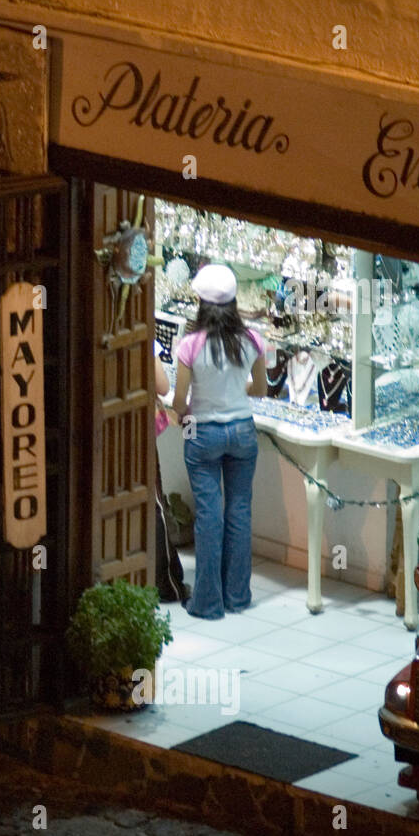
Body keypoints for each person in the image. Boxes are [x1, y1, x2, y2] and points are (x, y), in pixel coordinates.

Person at [171, 264, 267, 620]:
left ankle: (208, 602)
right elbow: (260, 389)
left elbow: (181, 402)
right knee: (239, 511)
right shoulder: (253, 340)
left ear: (200, 303)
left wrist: (179, 412)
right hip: (243, 429)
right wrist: (233, 390)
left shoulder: (189, 346)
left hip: (203, 432)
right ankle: (238, 596)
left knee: (209, 515)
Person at [153, 343, 188, 603]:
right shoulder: (143, 335)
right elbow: (163, 386)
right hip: (137, 429)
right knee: (154, 506)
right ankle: (166, 582)